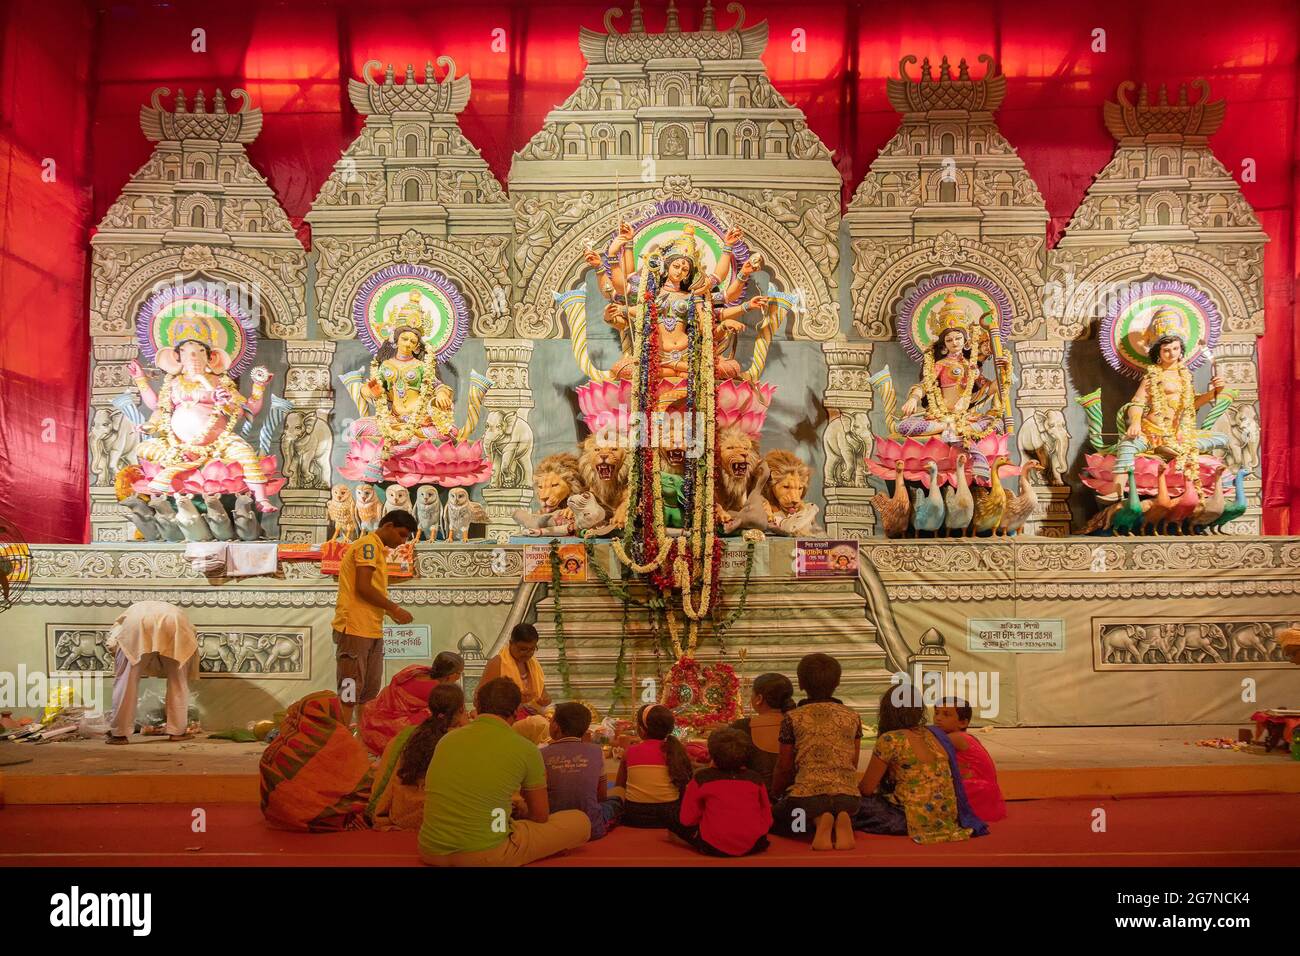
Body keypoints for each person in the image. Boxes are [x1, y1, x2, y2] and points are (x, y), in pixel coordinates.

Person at [418, 677, 590, 866]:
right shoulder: (527, 749)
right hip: (486, 855)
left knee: (499, 817)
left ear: (478, 706)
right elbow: (540, 816)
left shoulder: (446, 740)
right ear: (516, 712)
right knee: (579, 821)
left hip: (430, 851)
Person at [857, 685, 986, 844]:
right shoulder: (934, 733)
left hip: (908, 820)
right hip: (946, 817)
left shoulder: (890, 739)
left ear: (887, 711)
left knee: (850, 803)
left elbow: (866, 789)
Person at [331, 511, 416, 727]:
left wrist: (388, 612)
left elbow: (372, 591)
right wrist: (394, 609)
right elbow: (363, 587)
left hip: (371, 628)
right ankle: (341, 742)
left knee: (368, 693)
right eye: (402, 534)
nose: (403, 542)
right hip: (354, 627)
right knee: (349, 689)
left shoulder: (377, 550)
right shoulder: (367, 545)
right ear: (387, 526)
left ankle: (363, 740)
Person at [770, 653, 862, 851]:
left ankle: (819, 821)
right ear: (837, 683)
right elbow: (853, 763)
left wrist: (775, 794)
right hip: (849, 797)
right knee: (846, 805)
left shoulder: (793, 717)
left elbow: (784, 767)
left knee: (775, 819)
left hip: (806, 798)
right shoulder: (853, 716)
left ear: (801, 684)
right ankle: (841, 817)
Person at [260, 691, 374, 831]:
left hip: (279, 816)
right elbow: (362, 780)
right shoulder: (340, 740)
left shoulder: (280, 744)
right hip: (321, 816)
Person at [368, 684, 468, 831]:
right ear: (461, 710)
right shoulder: (461, 739)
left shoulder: (408, 735)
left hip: (402, 813)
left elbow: (386, 775)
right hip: (439, 818)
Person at [105, 601, 200, 744]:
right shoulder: (177, 613)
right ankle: (177, 732)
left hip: (137, 623)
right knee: (178, 681)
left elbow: (113, 643)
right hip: (175, 622)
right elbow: (191, 640)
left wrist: (123, 664)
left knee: (126, 681)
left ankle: (119, 733)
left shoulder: (124, 618)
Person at [669, 727, 772, 857]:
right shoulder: (755, 778)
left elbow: (687, 820)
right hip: (755, 844)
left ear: (711, 754)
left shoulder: (701, 778)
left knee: (669, 814)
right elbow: (767, 818)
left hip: (713, 847)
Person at [544, 701, 622, 840]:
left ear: (555, 726)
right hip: (591, 827)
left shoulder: (541, 754)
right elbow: (601, 797)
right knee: (616, 800)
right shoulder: (596, 751)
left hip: (552, 829)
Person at [360, 651, 463, 756]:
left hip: (373, 715)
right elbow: (455, 714)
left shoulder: (419, 671)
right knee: (437, 715)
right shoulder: (436, 690)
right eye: (460, 673)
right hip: (388, 728)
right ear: (452, 675)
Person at [616, 703, 694, 828]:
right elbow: (684, 788)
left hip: (634, 817)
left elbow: (619, 786)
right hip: (670, 817)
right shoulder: (677, 751)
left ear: (641, 729)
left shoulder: (630, 752)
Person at [934, 697, 1006, 822]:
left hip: (976, 792)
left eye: (946, 715)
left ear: (963, 723)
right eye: (936, 713)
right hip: (989, 796)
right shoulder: (966, 737)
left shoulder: (954, 738)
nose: (938, 718)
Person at [730, 672, 794, 796]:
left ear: (759, 699)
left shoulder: (742, 727)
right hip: (792, 799)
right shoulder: (799, 724)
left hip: (752, 798)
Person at [480, 623, 551, 717]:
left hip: (532, 715)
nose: (528, 654)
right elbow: (480, 699)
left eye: (532, 649)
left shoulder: (534, 664)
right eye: (523, 649)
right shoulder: (497, 663)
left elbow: (543, 694)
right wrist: (515, 699)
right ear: (511, 643)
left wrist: (545, 700)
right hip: (505, 718)